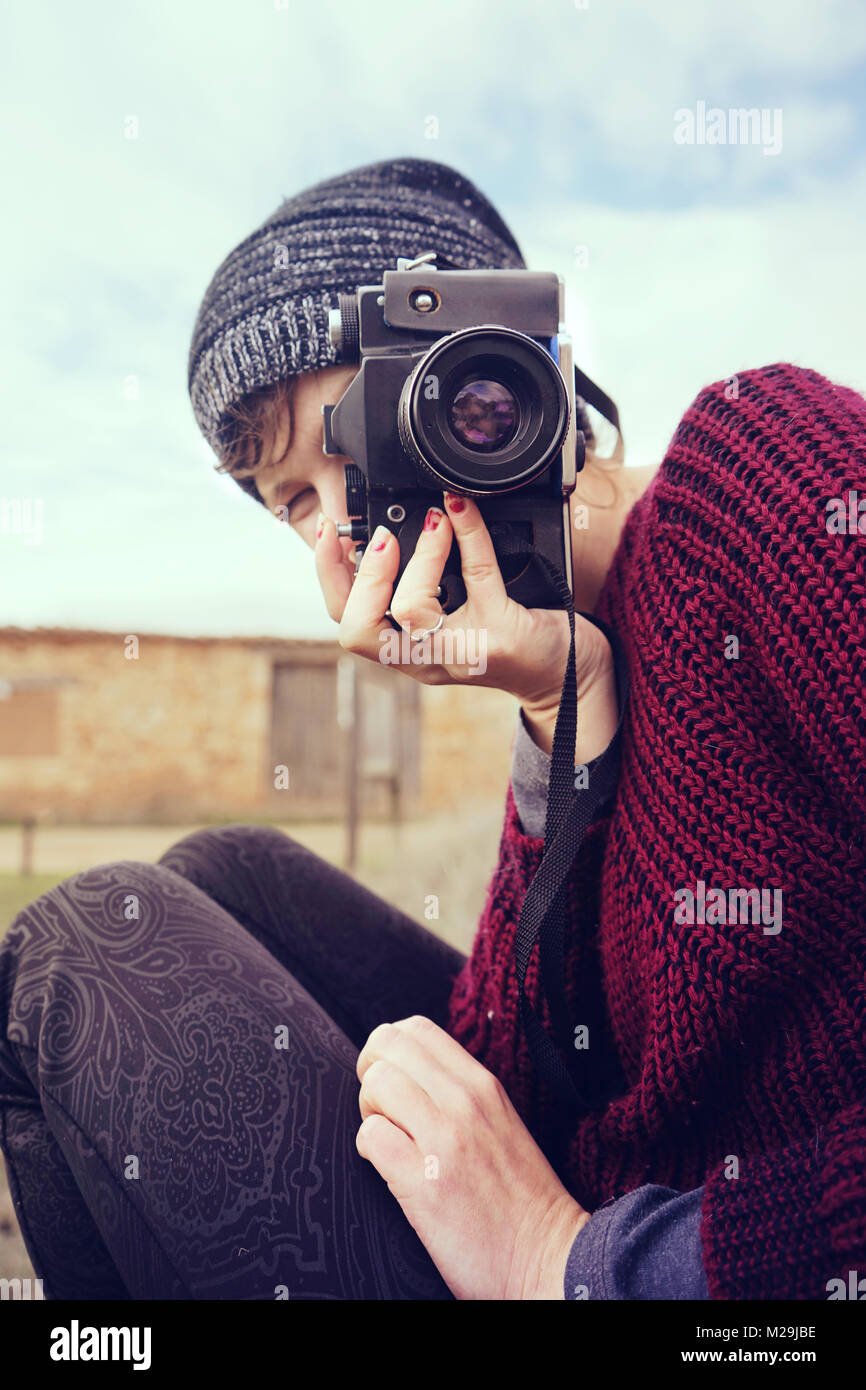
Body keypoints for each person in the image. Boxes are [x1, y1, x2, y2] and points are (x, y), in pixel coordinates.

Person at [1, 158, 863, 1300]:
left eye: (360, 434)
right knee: (222, 871)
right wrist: (557, 718)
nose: (348, 528)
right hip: (594, 1203)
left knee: (78, 947)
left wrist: (573, 1262)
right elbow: (528, 1075)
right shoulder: (564, 660)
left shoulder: (765, 475)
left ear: (501, 367)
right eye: (296, 502)